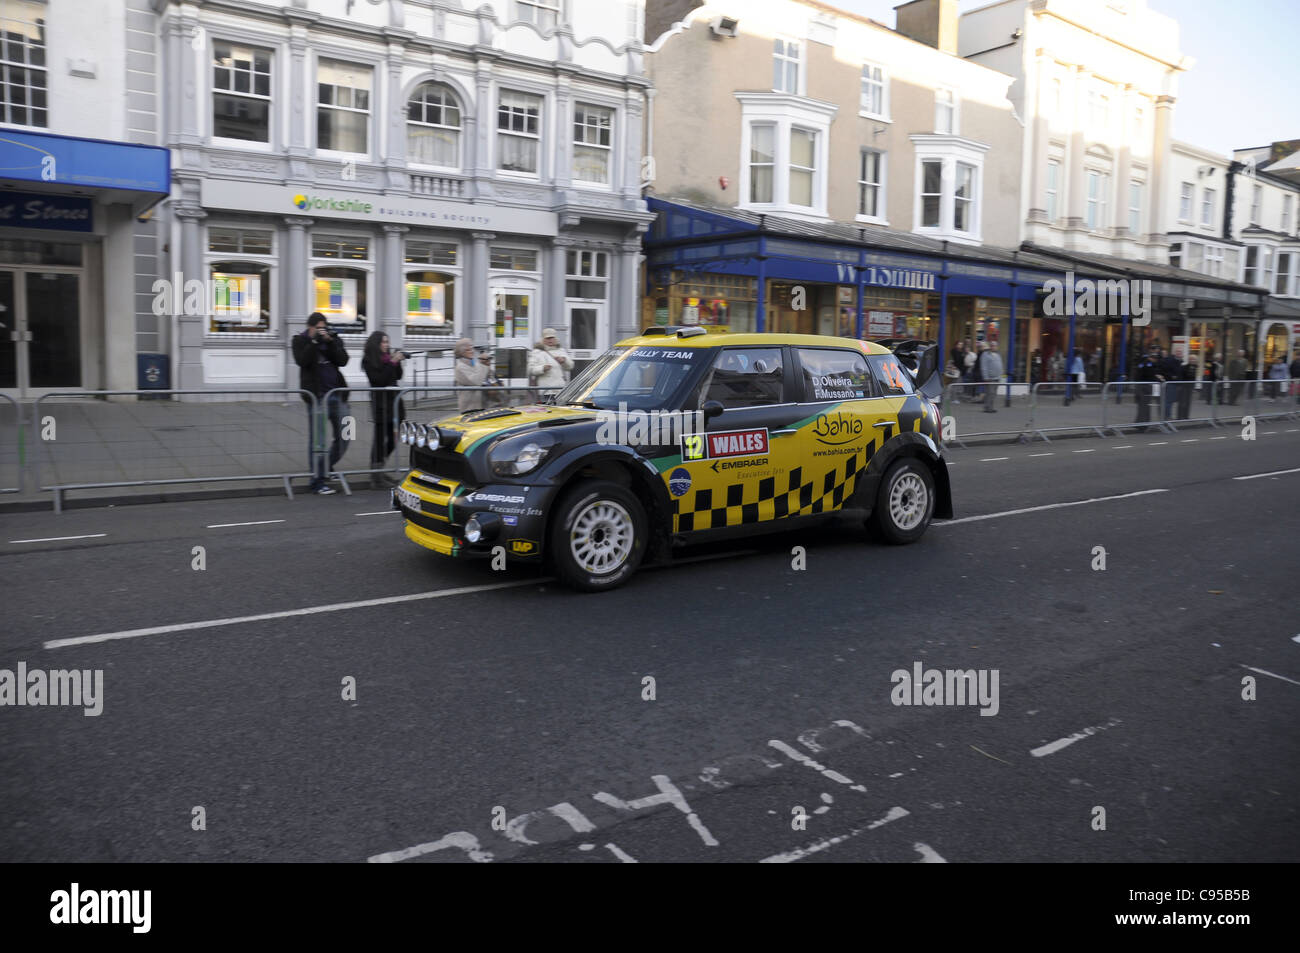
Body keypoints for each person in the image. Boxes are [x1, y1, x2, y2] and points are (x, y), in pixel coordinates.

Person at [292, 312, 351, 495]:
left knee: (348, 434)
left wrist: (330, 341)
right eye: (317, 328)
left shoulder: (333, 338)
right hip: (317, 398)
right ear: (310, 327)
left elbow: (343, 360)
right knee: (318, 442)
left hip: (337, 395)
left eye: (323, 328)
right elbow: (302, 361)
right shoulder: (299, 340)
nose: (320, 331)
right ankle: (317, 480)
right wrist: (314, 342)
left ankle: (326, 466)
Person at [361, 331, 406, 487]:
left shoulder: (388, 359)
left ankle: (379, 469)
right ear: (376, 344)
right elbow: (378, 380)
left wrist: (397, 362)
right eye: (383, 342)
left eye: (387, 342)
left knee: (394, 437)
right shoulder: (368, 360)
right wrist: (392, 362)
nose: (386, 345)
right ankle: (376, 476)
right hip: (381, 404)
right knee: (379, 439)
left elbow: (398, 376)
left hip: (394, 402)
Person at [454, 338, 494, 412]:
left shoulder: (475, 364)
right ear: (461, 352)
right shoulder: (460, 367)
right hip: (469, 407)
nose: (472, 351)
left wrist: (488, 364)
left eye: (472, 349)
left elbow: (488, 376)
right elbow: (475, 382)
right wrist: (483, 364)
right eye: (468, 350)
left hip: (481, 405)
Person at [977, 342, 1003, 413]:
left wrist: (1000, 376)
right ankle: (987, 408)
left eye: (995, 346)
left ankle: (991, 407)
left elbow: (1000, 365)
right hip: (990, 378)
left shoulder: (997, 354)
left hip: (997, 378)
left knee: (994, 394)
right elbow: (984, 366)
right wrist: (986, 377)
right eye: (992, 346)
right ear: (990, 347)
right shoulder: (985, 355)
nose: (994, 347)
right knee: (989, 393)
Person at [1156, 346, 1180, 421]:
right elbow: (1164, 371)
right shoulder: (1168, 361)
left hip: (1171, 383)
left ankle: (1166, 416)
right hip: (1167, 383)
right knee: (1167, 401)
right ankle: (1165, 416)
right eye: (1163, 353)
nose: (1164, 354)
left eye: (1165, 353)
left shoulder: (1176, 360)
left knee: (1169, 401)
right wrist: (1172, 376)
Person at [1134, 347, 1157, 424]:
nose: (1155, 360)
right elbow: (1150, 375)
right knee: (1145, 405)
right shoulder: (1148, 364)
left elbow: (1137, 375)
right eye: (1154, 358)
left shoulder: (1142, 363)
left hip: (1140, 386)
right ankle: (1143, 422)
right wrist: (1158, 379)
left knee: (1142, 405)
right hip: (1145, 387)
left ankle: (1140, 421)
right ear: (1151, 358)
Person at [1177, 348, 1196, 420]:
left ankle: (1186, 416)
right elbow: (1181, 376)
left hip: (1190, 387)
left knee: (1188, 402)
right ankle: (1179, 416)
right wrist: (1180, 385)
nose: (1193, 360)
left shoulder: (1195, 367)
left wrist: (1193, 387)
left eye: (1194, 359)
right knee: (1182, 402)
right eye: (1191, 359)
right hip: (1183, 386)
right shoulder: (1184, 366)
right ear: (1189, 360)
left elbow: (1193, 378)